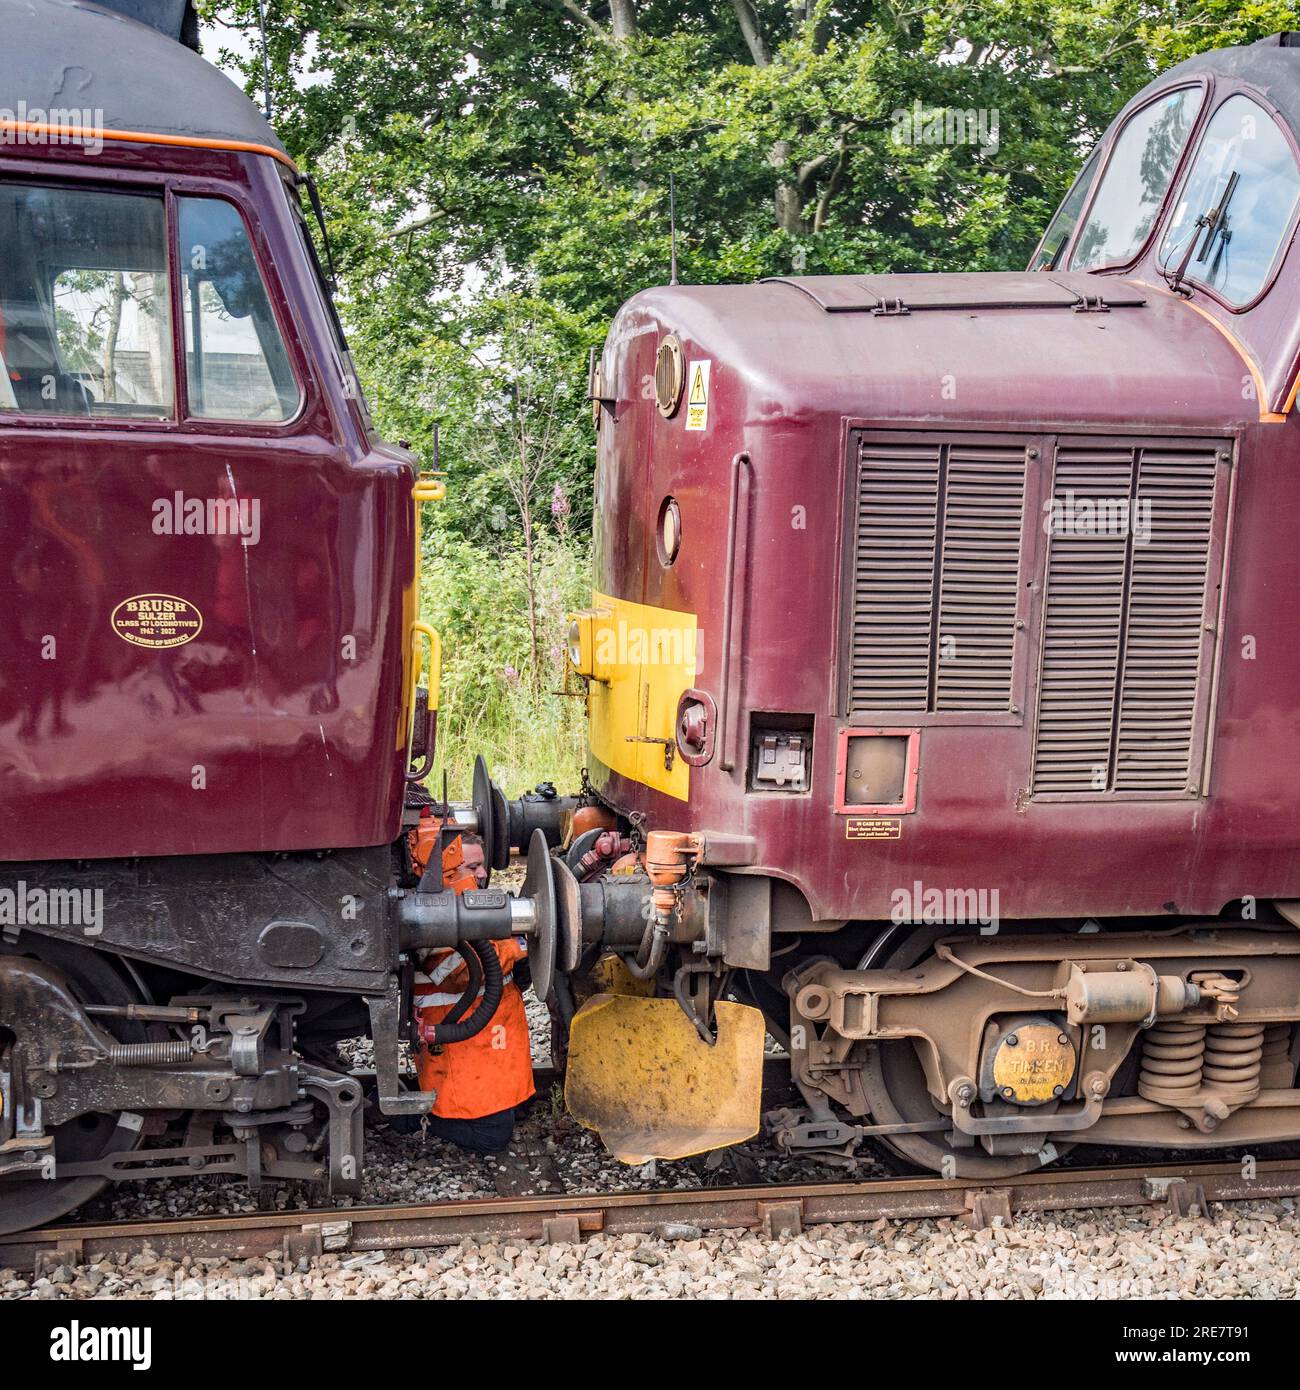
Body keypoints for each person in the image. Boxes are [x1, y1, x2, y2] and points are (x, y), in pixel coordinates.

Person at [398, 935, 536, 1154]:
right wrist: (519, 945)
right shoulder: (433, 902)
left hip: (485, 1023)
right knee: (492, 1136)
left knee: (505, 1103)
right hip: (460, 1026)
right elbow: (457, 968)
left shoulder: (450, 899)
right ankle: (410, 1117)